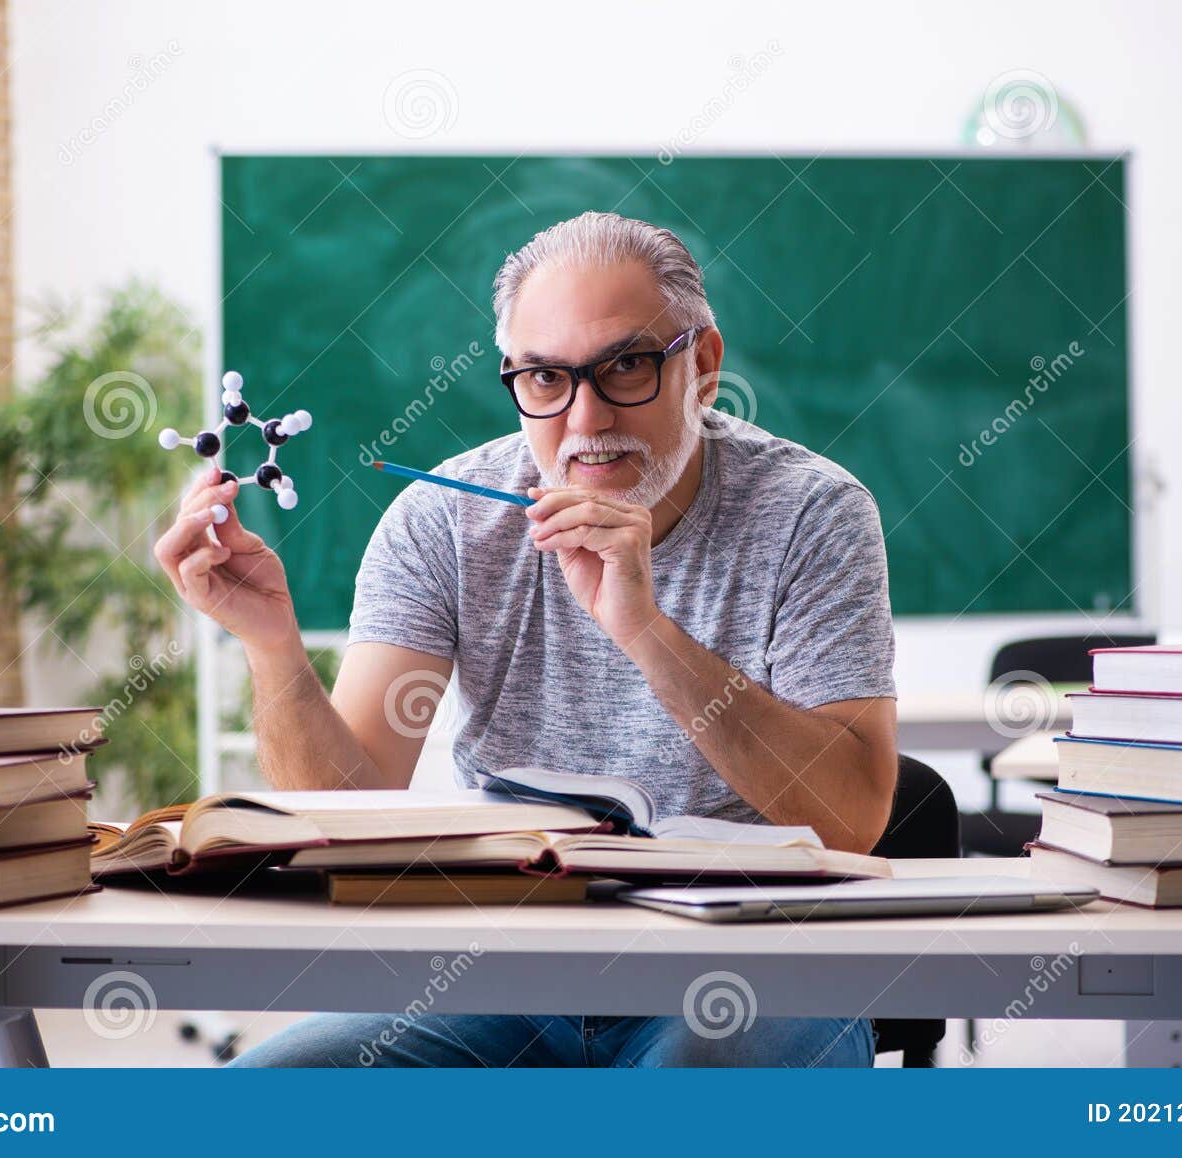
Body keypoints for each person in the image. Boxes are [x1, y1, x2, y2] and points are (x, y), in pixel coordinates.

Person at [154, 210, 898, 1067]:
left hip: (750, 966)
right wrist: (273, 646)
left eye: (626, 366)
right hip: (499, 972)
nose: (583, 421)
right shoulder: (445, 517)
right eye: (545, 378)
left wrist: (645, 631)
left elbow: (849, 821)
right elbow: (347, 804)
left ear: (702, 366)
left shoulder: (814, 513)